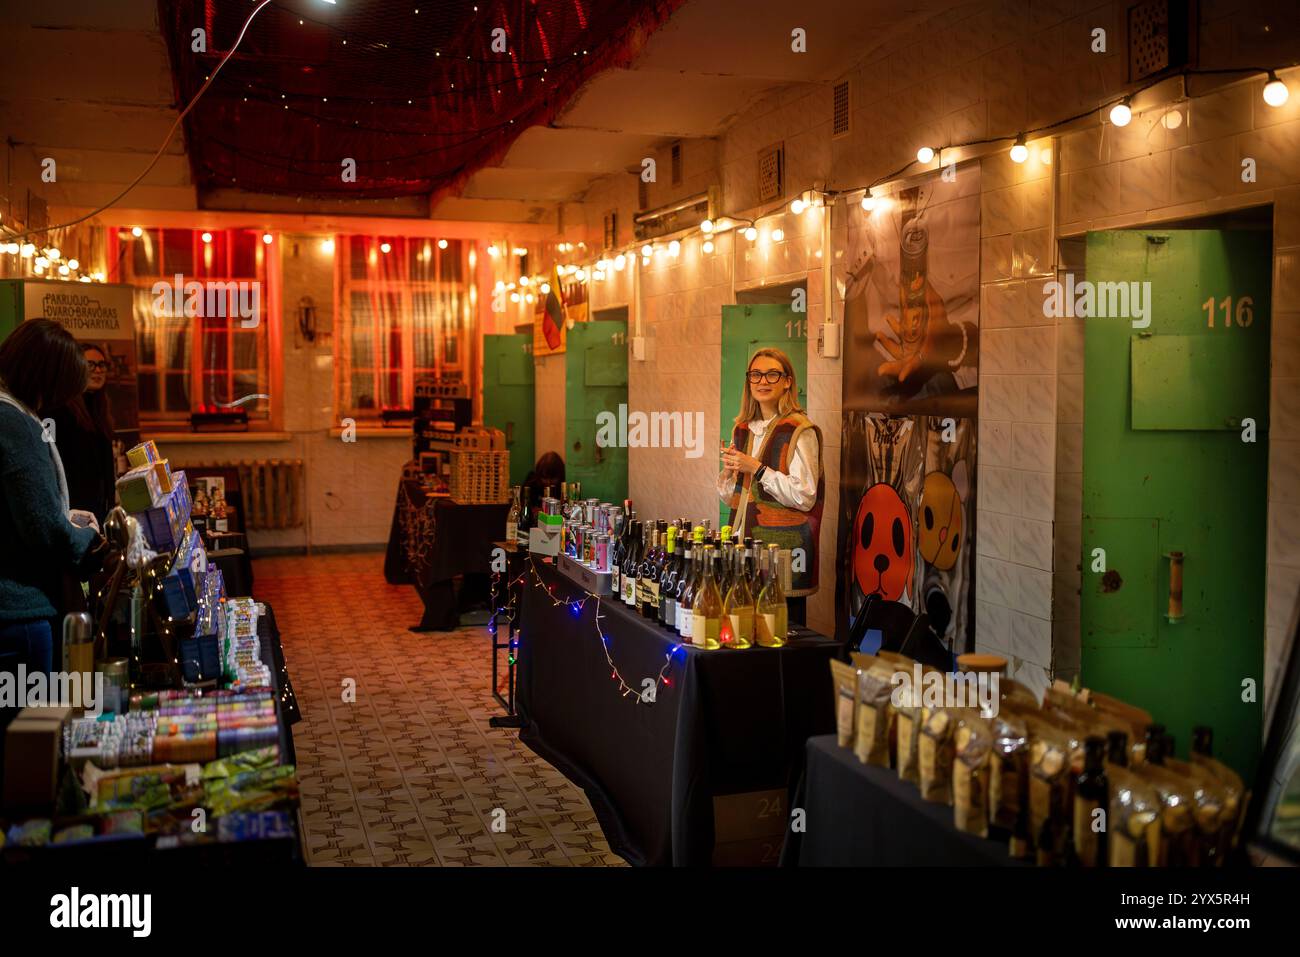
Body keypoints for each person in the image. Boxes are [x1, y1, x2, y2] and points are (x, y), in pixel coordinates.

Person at [0, 319, 104, 677]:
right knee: (31, 729)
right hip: (20, 612)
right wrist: (87, 535)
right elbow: (46, 530)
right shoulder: (14, 424)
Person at [717, 347, 824, 624]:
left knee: (781, 642)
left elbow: (805, 497)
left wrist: (757, 468)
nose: (762, 381)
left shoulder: (801, 429)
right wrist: (729, 473)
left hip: (785, 556)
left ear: (787, 381)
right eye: (756, 375)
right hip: (744, 553)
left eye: (772, 375)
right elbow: (732, 499)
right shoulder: (742, 428)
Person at [51, 342, 118, 525]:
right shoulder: (60, 411)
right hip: (73, 513)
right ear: (75, 368)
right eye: (90, 364)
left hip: (99, 512)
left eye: (102, 364)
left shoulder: (100, 410)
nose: (97, 370)